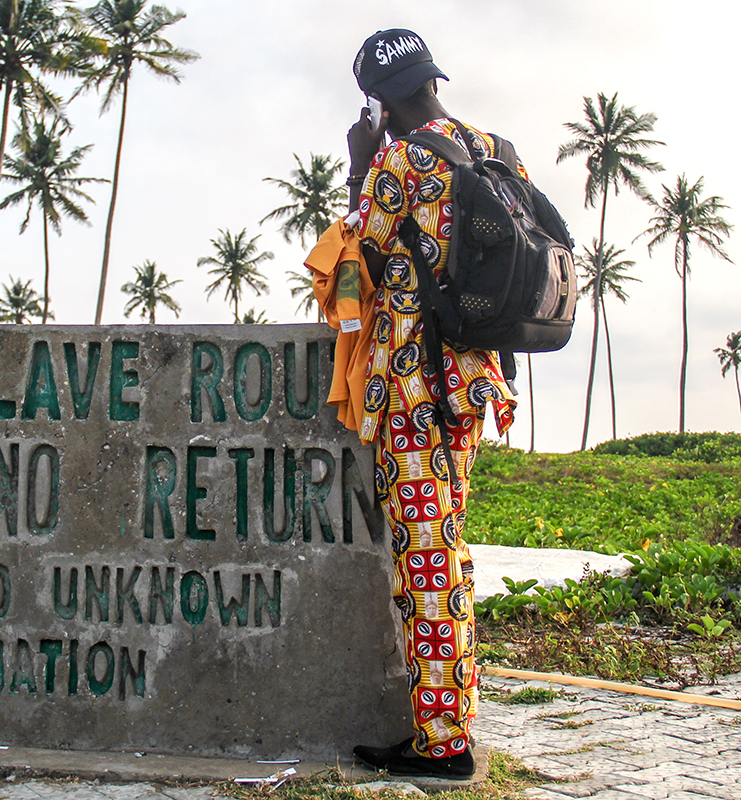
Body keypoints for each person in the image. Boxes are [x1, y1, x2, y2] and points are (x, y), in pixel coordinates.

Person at [343, 29, 518, 779]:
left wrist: (359, 165)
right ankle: (454, 721)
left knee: (427, 565)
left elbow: (362, 261)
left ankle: (443, 745)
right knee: (448, 550)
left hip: (416, 393)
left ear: (379, 100)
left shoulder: (396, 160)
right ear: (432, 81)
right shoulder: (495, 147)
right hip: (472, 383)